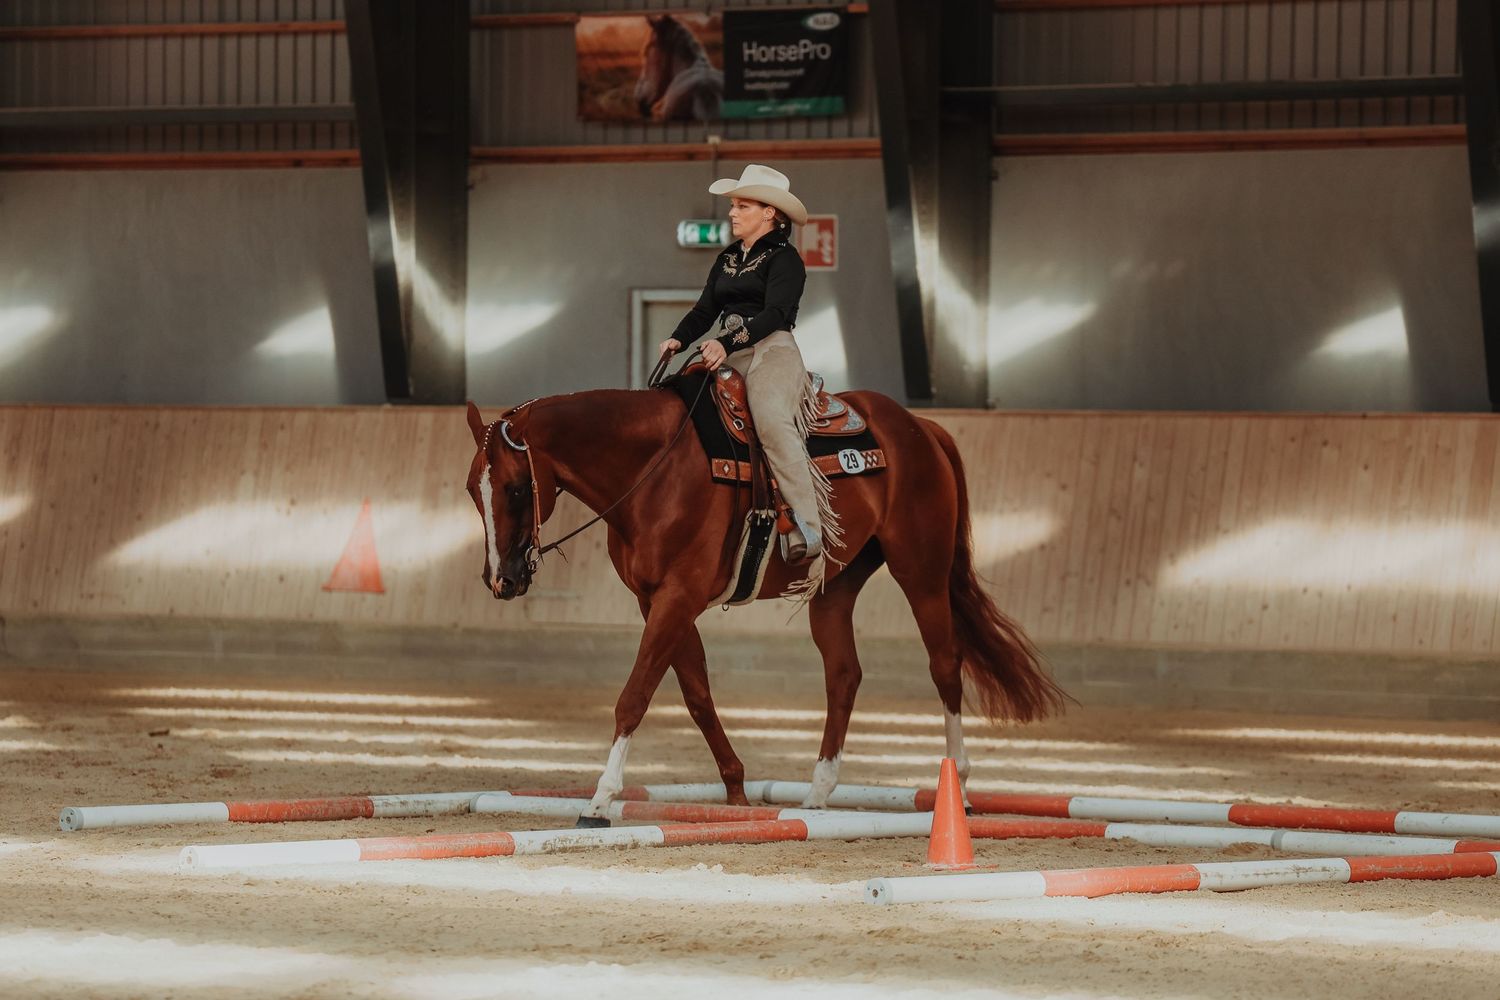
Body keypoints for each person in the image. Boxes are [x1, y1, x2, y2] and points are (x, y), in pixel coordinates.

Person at [659, 163, 832, 565]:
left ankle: (807, 524)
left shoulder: (786, 260)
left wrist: (723, 342)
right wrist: (679, 338)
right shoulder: (727, 258)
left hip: (773, 349)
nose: (732, 213)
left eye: (742, 206)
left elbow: (775, 314)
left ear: (769, 213)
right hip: (730, 351)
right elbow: (705, 310)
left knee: (770, 416)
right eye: (734, 205)